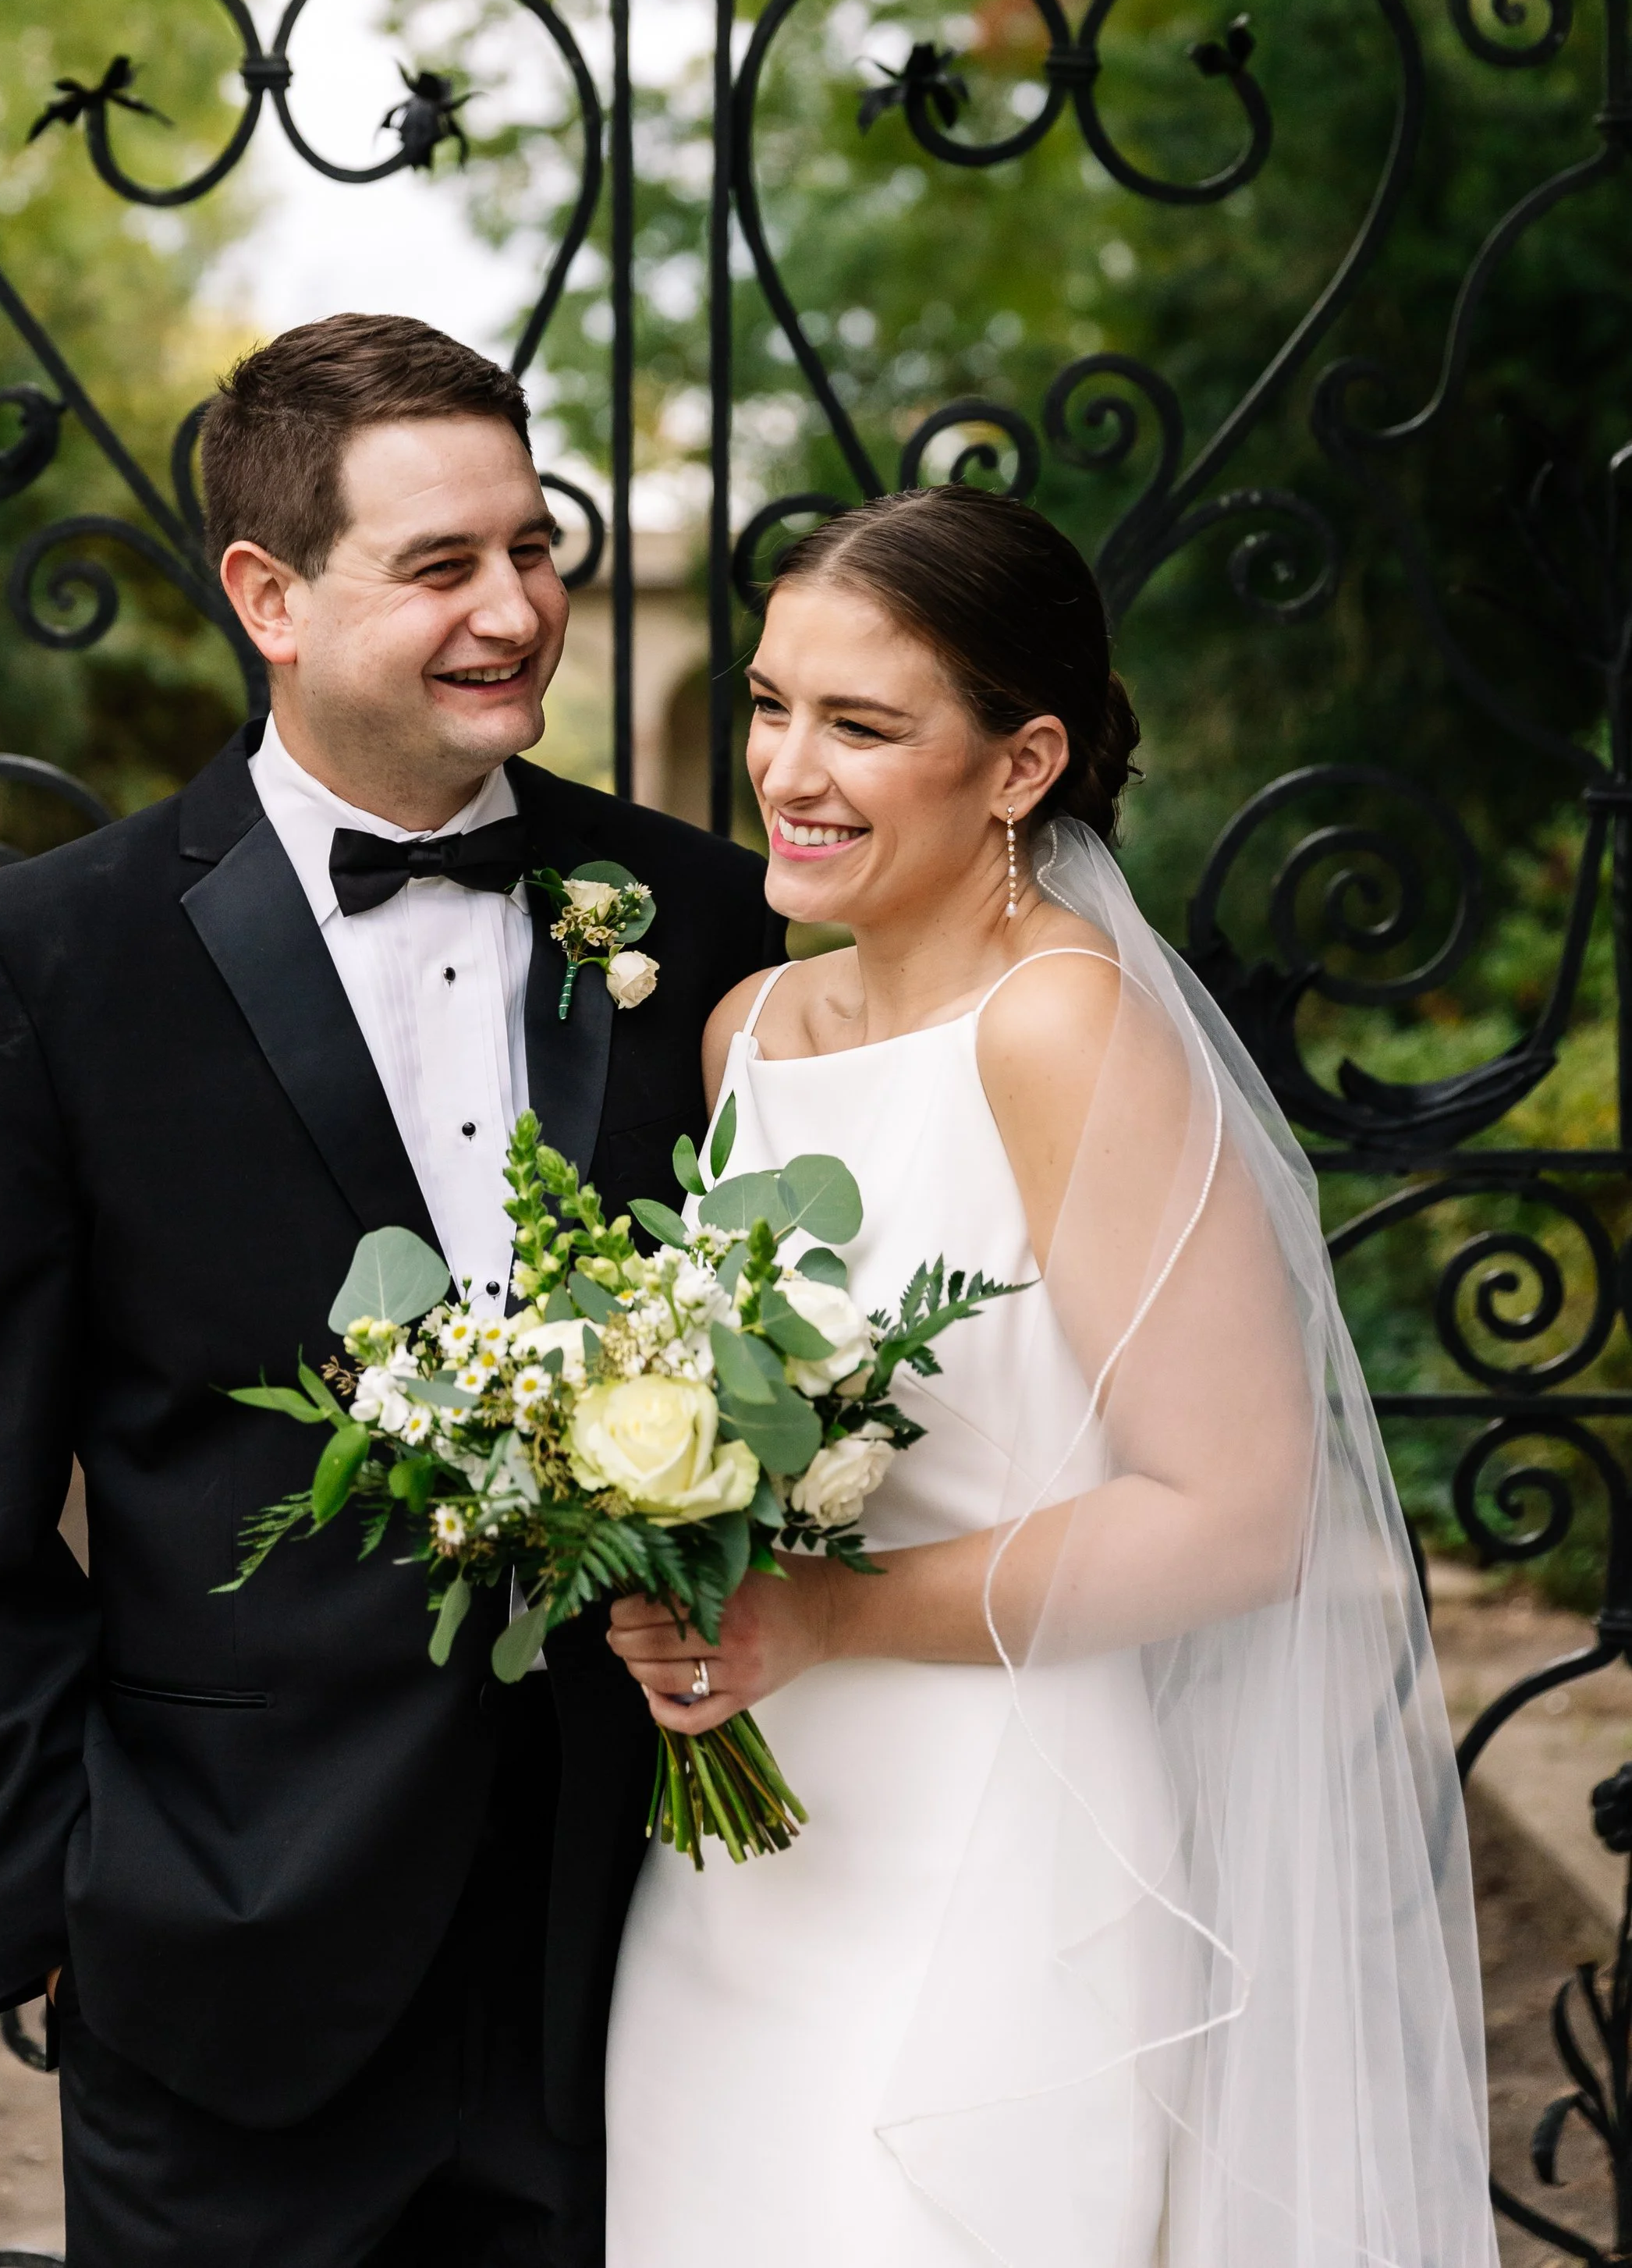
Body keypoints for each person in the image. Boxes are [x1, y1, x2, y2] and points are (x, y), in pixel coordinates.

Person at [0, 312, 782, 2268]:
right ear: (266, 595)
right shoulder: (53, 963)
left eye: (532, 550)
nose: (514, 610)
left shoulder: (703, 919)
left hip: (643, 1949)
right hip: (223, 1958)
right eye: (440, 566)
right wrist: (62, 1903)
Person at [605, 488, 1497, 2268]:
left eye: (863, 727)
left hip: (1002, 1856)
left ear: (1019, 765)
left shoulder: (1063, 1025)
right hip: (739, 1863)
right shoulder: (746, 1035)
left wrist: (828, 1620)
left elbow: (1235, 1516)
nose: (788, 768)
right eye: (773, 704)